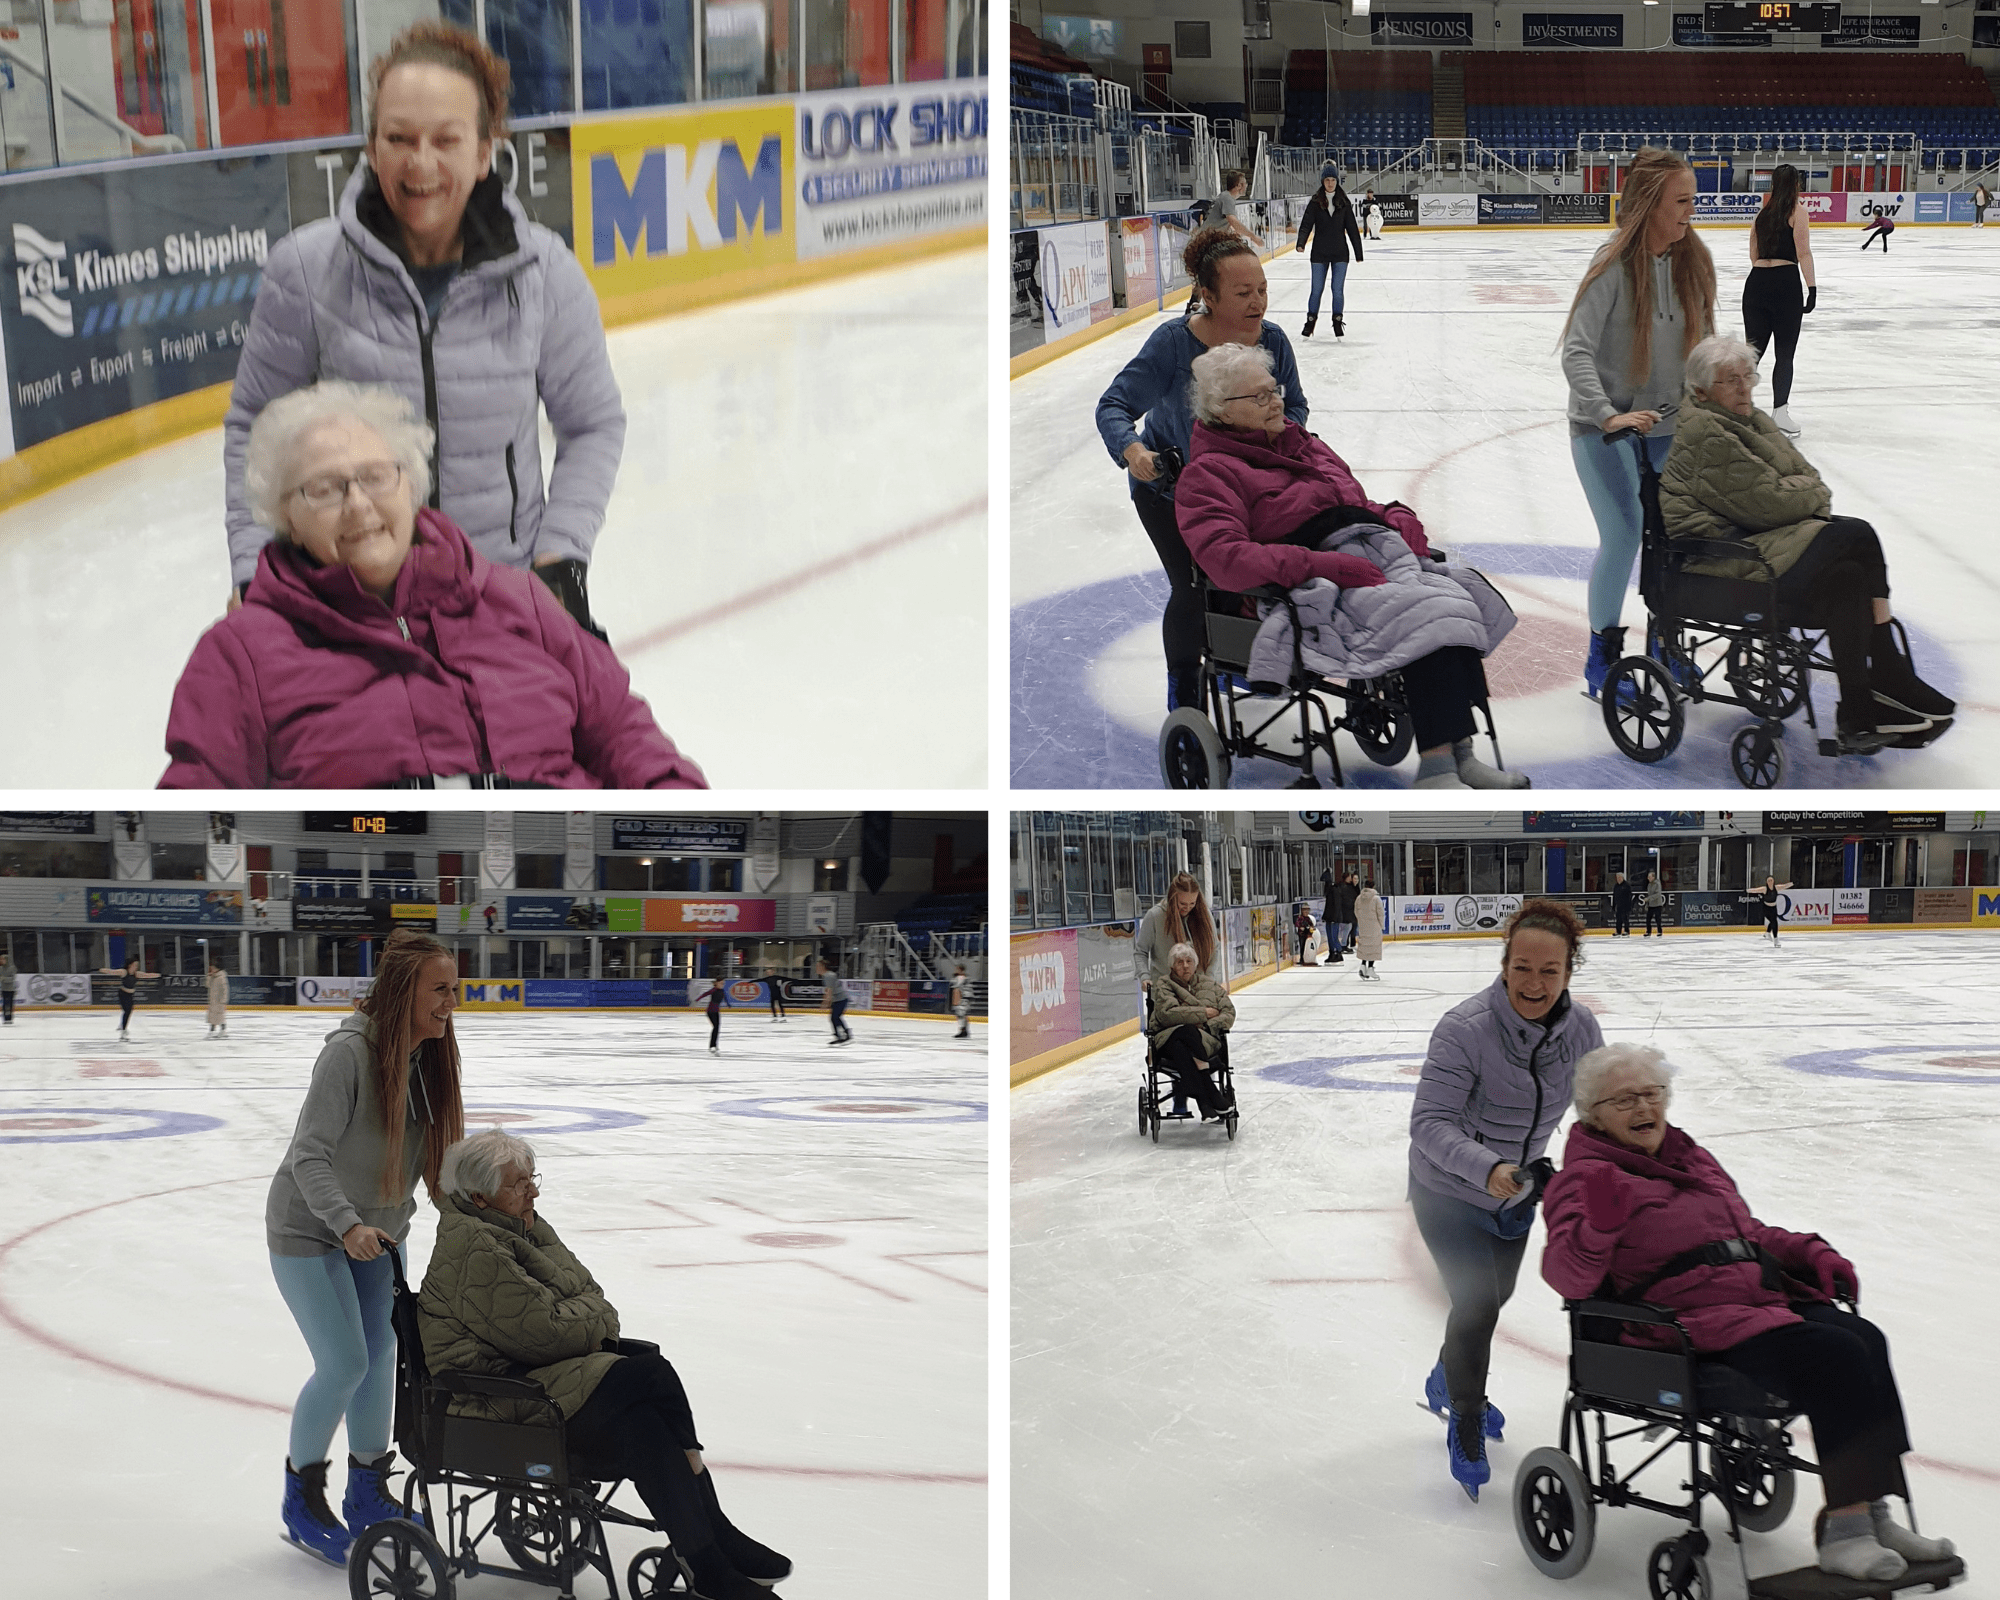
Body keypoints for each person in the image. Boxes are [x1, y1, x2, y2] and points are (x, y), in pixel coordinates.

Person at [223, 20, 623, 636]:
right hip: (353, 609)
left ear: (485, 152)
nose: (421, 163)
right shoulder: (304, 270)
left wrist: (560, 561)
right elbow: (255, 427)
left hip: (500, 595)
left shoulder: (545, 273)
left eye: (446, 139)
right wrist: (255, 572)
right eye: (399, 138)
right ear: (372, 146)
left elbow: (592, 423)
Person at [1541, 1044, 1956, 1583]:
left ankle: (1874, 1514)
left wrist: (1809, 1251)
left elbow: (1746, 1232)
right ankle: (1846, 1532)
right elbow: (1567, 1277)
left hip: (1753, 1302)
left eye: (1652, 1093)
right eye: (1624, 1100)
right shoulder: (1586, 1178)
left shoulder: (1691, 1158)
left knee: (1865, 1338)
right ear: (1593, 1114)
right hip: (1682, 1326)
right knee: (1835, 1354)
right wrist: (1598, 1229)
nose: (1644, 1107)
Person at [163, 383, 706, 789]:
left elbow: (622, 733)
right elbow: (196, 827)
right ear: (288, 518)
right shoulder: (240, 655)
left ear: (411, 486)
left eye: (377, 476)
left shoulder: (518, 600)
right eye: (325, 489)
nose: (358, 504)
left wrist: (683, 826)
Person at [418, 1129, 789, 1599]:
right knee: (649, 1373)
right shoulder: (474, 1248)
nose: (533, 1192)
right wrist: (587, 1318)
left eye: (532, 1179)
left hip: (540, 1379)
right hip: (496, 1397)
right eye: (518, 1184)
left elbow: (592, 1299)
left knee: (644, 1425)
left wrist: (581, 1317)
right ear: (479, 1197)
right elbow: (547, 1332)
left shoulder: (524, 1227)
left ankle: (706, 1558)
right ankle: (715, 1537)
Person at [1175, 342, 1527, 791]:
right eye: (1259, 397)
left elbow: (1354, 503)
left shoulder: (1306, 446)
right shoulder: (1208, 475)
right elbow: (1226, 560)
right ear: (1221, 409)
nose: (1276, 402)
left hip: (1366, 556)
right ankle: (1437, 768)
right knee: (1422, 612)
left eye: (1274, 390)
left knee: (1457, 596)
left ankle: (1462, 754)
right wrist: (1321, 565)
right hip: (1303, 588)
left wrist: (1396, 517)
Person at [267, 929, 466, 1566]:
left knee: (382, 1358)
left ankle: (367, 1493)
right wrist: (347, 1224)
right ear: (405, 992)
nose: (451, 1003)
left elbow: (434, 1164)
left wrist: (471, 1213)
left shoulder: (428, 1062)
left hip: (380, 1235)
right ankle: (301, 1499)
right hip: (309, 1229)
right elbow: (309, 1155)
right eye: (440, 990)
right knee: (344, 1362)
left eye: (454, 989)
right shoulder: (348, 1055)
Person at [1660, 335, 1955, 751]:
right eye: (1730, 380)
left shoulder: (1750, 420)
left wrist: (1800, 492)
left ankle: (1858, 711)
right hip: (1718, 560)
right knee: (1856, 533)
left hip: (1758, 544)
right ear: (1703, 390)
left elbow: (1806, 478)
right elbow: (1772, 504)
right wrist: (1803, 492)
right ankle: (1890, 670)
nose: (1744, 387)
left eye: (1747, 376)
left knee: (1849, 577)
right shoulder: (1706, 434)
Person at [1409, 900, 1605, 1499]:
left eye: (1549, 971)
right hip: (1447, 1191)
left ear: (1569, 971)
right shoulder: (1465, 1029)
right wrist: (1487, 1167)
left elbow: (1596, 1111)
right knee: (1476, 1304)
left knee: (1497, 1297)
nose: (1534, 983)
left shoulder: (1581, 1031)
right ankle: (1465, 1417)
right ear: (1504, 964)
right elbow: (1429, 1123)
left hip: (1516, 1194)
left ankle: (1447, 1377)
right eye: (1522, 968)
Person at [1096, 228, 1307, 710]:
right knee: (1193, 586)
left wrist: (1278, 434)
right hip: (1170, 491)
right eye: (1243, 293)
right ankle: (1185, 692)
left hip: (1246, 490)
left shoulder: (1273, 342)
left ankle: (1239, 659)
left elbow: (1295, 405)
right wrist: (1135, 453)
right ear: (1208, 297)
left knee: (1253, 577)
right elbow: (1114, 406)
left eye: (1262, 290)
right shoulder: (1174, 345)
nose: (1258, 303)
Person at [1561, 149, 1717, 699]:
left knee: (1672, 537)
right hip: (1604, 430)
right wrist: (1609, 414)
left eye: (1693, 199)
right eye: (1681, 201)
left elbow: (1704, 347)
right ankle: (1600, 659)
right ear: (1650, 205)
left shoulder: (1692, 262)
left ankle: (1664, 644)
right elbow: (1576, 351)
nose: (1691, 210)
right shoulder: (1611, 265)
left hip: (1668, 430)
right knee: (1626, 533)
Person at [1742, 164, 1817, 439]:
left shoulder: (1761, 215)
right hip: (1785, 284)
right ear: (1796, 184)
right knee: (1784, 353)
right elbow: (1803, 252)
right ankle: (1780, 414)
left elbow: (1753, 253)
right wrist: (1811, 288)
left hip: (1756, 283)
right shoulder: (1797, 212)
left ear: (1772, 185)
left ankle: (1736, 408)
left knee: (1752, 353)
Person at [1147, 942, 1236, 1121]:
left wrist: (1207, 1026)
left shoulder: (1209, 985)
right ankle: (1210, 1094)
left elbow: (1229, 1013)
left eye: (1189, 961)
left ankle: (1201, 1097)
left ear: (1195, 964)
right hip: (1167, 1038)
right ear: (1172, 966)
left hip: (1204, 1040)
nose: (1185, 966)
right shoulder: (1164, 984)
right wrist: (1203, 1014)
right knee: (1186, 1031)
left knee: (1185, 1040)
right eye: (1179, 962)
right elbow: (1167, 1015)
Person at [1294, 163, 1363, 339]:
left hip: (1340, 253)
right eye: (1327, 180)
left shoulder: (1344, 202)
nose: (1330, 183)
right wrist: (1301, 242)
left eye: (1333, 180)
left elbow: (1352, 229)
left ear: (1337, 181)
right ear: (1322, 181)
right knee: (1316, 289)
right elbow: (1306, 224)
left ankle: (1337, 322)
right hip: (1319, 252)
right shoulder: (1315, 202)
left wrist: (1358, 252)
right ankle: (1310, 322)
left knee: (1337, 289)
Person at [98, 956, 162, 1039]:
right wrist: (101, 969)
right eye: (135, 965)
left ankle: (122, 1025)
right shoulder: (124, 972)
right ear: (130, 965)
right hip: (122, 994)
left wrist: (160, 975)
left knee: (129, 1011)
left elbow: (148, 975)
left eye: (137, 965)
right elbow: (112, 972)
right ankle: (124, 1029)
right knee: (127, 1010)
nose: (136, 967)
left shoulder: (137, 974)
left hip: (130, 995)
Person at [1208, 168, 1262, 245]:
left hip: (1211, 240)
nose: (1247, 186)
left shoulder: (1227, 197)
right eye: (1245, 183)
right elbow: (1233, 222)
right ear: (1239, 186)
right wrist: (1253, 236)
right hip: (1208, 242)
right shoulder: (1227, 198)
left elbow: (1230, 224)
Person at [1325, 870, 1360, 965]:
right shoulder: (1338, 889)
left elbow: (1338, 903)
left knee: (1344, 930)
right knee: (1344, 930)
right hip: (1338, 914)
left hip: (1337, 915)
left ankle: (1339, 950)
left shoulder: (1338, 889)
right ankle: (1339, 949)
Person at [1353, 881, 1384, 980]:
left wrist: (1361, 920)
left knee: (1364, 946)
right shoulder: (1376, 898)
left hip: (1363, 925)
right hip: (1374, 925)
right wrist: (1381, 925)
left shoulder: (1359, 898)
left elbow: (1356, 911)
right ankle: (1370, 967)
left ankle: (1363, 965)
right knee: (1373, 947)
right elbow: (1380, 913)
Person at [1751, 874, 1793, 944]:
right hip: (1766, 908)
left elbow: (1785, 886)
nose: (1770, 882)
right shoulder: (1764, 889)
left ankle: (1767, 933)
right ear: (1767, 882)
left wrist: (1793, 883)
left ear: (1773, 881)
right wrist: (1746, 890)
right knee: (1774, 922)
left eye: (1771, 880)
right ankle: (1776, 939)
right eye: (1769, 881)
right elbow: (1755, 890)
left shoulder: (1776, 888)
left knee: (1773, 921)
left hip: (1774, 908)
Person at [820, 960, 851, 1045]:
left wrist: (826, 1002)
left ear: (823, 967)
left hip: (840, 1000)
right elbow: (827, 990)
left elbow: (829, 990)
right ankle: (841, 1035)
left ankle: (845, 1035)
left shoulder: (829, 976)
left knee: (835, 1017)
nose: (817, 968)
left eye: (818, 966)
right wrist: (825, 1001)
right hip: (838, 1000)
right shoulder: (826, 976)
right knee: (834, 1018)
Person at [703, 976, 730, 1054]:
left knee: (717, 1028)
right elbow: (705, 994)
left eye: (723, 983)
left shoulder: (722, 991)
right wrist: (697, 1000)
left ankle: (714, 1045)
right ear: (717, 983)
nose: (722, 985)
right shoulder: (713, 990)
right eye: (721, 983)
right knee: (715, 1027)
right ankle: (712, 1045)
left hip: (716, 1012)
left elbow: (725, 998)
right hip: (710, 1011)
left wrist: (728, 1004)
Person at [206, 961, 231, 1037]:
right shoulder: (213, 977)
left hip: (219, 1001)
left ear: (217, 969)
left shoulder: (221, 977)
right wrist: (209, 977)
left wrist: (223, 1000)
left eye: (213, 968)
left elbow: (225, 989)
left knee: (219, 1017)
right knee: (214, 1017)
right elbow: (208, 985)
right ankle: (217, 1031)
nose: (212, 970)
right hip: (213, 1001)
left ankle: (216, 1031)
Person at [1642, 871, 1667, 937]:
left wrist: (1648, 898)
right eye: (1648, 877)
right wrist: (1647, 903)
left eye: (1649, 877)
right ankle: (1648, 931)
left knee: (1658, 919)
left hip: (1657, 904)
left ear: (1653, 877)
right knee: (1648, 919)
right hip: (1651, 905)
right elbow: (1649, 894)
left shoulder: (1657, 884)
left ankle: (1659, 931)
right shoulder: (1649, 885)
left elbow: (1657, 894)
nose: (1648, 878)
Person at [950, 964, 972, 1038]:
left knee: (960, 1015)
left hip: (962, 998)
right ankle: (964, 1030)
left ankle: (963, 1030)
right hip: (967, 997)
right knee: (963, 1015)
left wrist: (955, 1001)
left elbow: (957, 989)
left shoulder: (960, 978)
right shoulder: (966, 977)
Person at [1292, 902, 1317, 967]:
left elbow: (1311, 925)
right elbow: (1297, 925)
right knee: (1302, 946)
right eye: (1305, 910)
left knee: (1307, 947)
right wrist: (1301, 928)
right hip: (1302, 935)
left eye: (1307, 910)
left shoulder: (1308, 918)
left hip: (1308, 935)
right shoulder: (1300, 918)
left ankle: (1308, 957)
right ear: (1302, 911)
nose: (1306, 912)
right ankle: (1302, 958)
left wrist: (1311, 928)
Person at [1611, 871, 1634, 937]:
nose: (1618, 879)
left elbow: (1629, 896)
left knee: (1625, 918)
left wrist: (1629, 905)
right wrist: (1614, 905)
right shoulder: (1616, 886)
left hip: (1626, 905)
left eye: (1619, 877)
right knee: (1618, 919)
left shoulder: (1627, 885)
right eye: (1617, 877)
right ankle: (1618, 931)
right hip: (1619, 905)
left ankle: (1626, 930)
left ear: (1622, 878)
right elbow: (1614, 896)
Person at [0, 951, 15, 1024]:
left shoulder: (12, 968)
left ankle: (9, 1018)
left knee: (9, 1004)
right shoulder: (0, 968)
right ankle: (5, 1018)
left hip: (10, 989)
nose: (1, 961)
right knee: (4, 1004)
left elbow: (12, 978)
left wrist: (4, 979)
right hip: (3, 989)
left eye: (2, 959)